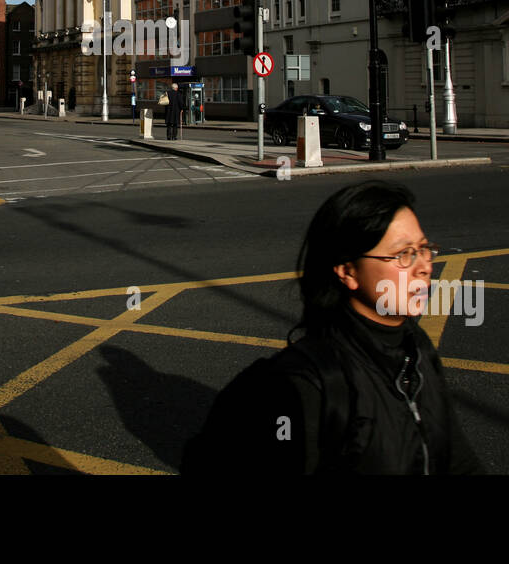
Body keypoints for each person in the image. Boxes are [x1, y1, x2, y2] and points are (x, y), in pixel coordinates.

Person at [183, 181, 483, 474]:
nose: (424, 266)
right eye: (404, 254)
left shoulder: (415, 347)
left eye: (424, 248)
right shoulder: (305, 385)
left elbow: (457, 458)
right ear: (348, 271)